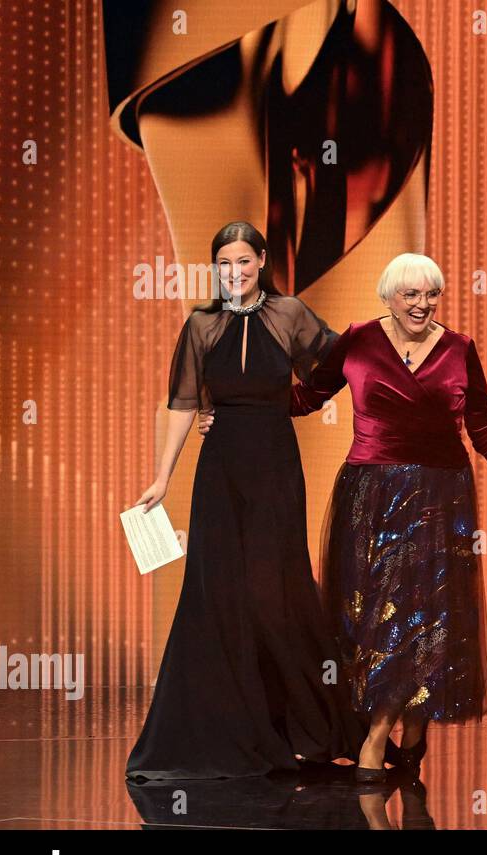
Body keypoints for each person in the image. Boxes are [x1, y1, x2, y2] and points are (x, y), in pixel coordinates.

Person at [200, 253, 487, 784]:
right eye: (411, 295)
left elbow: (486, 429)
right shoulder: (359, 339)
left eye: (431, 294)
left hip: (441, 500)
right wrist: (229, 413)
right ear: (388, 296)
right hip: (371, 496)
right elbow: (304, 397)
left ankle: (379, 737)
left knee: (427, 617)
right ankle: (405, 728)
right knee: (379, 618)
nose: (422, 304)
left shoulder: (460, 349)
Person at [127, 221, 363, 781]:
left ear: (261, 261)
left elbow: (341, 365)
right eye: (224, 264)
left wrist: (302, 401)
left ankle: (310, 726)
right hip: (220, 474)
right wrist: (162, 479)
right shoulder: (201, 325)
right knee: (217, 595)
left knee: (275, 595)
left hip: (276, 468)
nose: (234, 273)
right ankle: (229, 731)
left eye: (244, 261)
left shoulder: (289, 315)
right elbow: (183, 404)